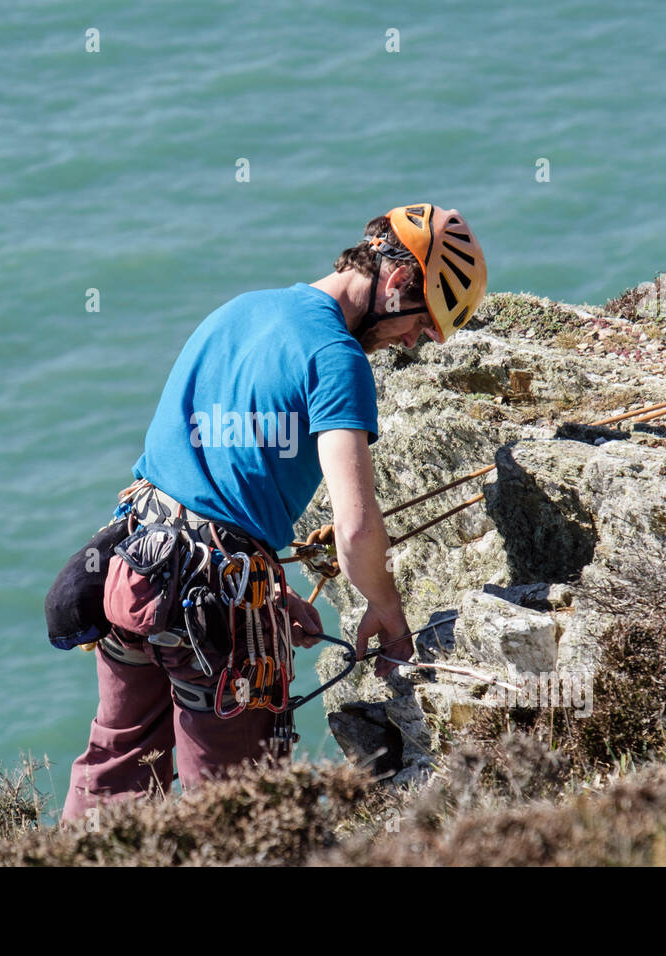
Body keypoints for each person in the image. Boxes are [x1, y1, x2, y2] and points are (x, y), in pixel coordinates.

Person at [59, 203, 486, 823]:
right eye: (425, 323)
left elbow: (196, 478)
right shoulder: (337, 358)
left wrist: (273, 593)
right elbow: (357, 527)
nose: (417, 340)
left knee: (118, 763)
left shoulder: (237, 312)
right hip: (216, 609)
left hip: (132, 573)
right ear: (396, 285)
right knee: (236, 808)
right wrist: (388, 614)